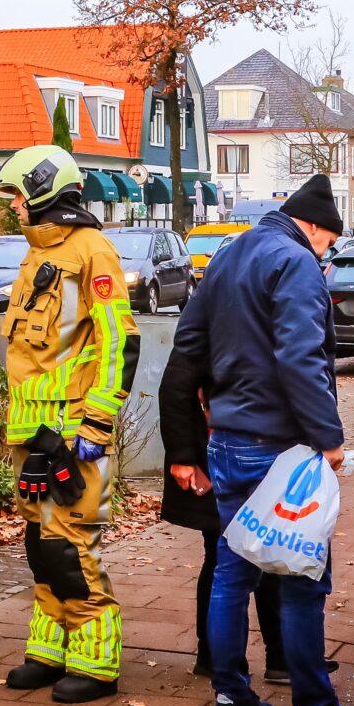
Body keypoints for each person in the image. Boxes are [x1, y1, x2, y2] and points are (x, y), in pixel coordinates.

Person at [170, 172, 354, 706]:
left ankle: (232, 698)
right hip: (281, 448)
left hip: (228, 441)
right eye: (330, 243)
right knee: (301, 576)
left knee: (230, 572)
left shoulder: (228, 255)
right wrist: (329, 438)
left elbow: (188, 344)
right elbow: (302, 357)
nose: (328, 253)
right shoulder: (295, 264)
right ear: (316, 227)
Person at [0, 144, 139, 704]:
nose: (13, 209)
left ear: (45, 192)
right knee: (41, 543)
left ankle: (96, 662)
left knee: (71, 546)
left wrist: (96, 424)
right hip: (33, 434)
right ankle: (50, 650)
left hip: (74, 433)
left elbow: (120, 340)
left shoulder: (91, 251)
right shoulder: (38, 252)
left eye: (17, 197)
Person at [156, 280, 288, 684]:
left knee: (262, 555)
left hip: (254, 455)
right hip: (219, 461)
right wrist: (183, 459)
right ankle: (219, 657)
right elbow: (176, 389)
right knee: (229, 557)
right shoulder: (214, 325)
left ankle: (274, 657)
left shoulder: (256, 318)